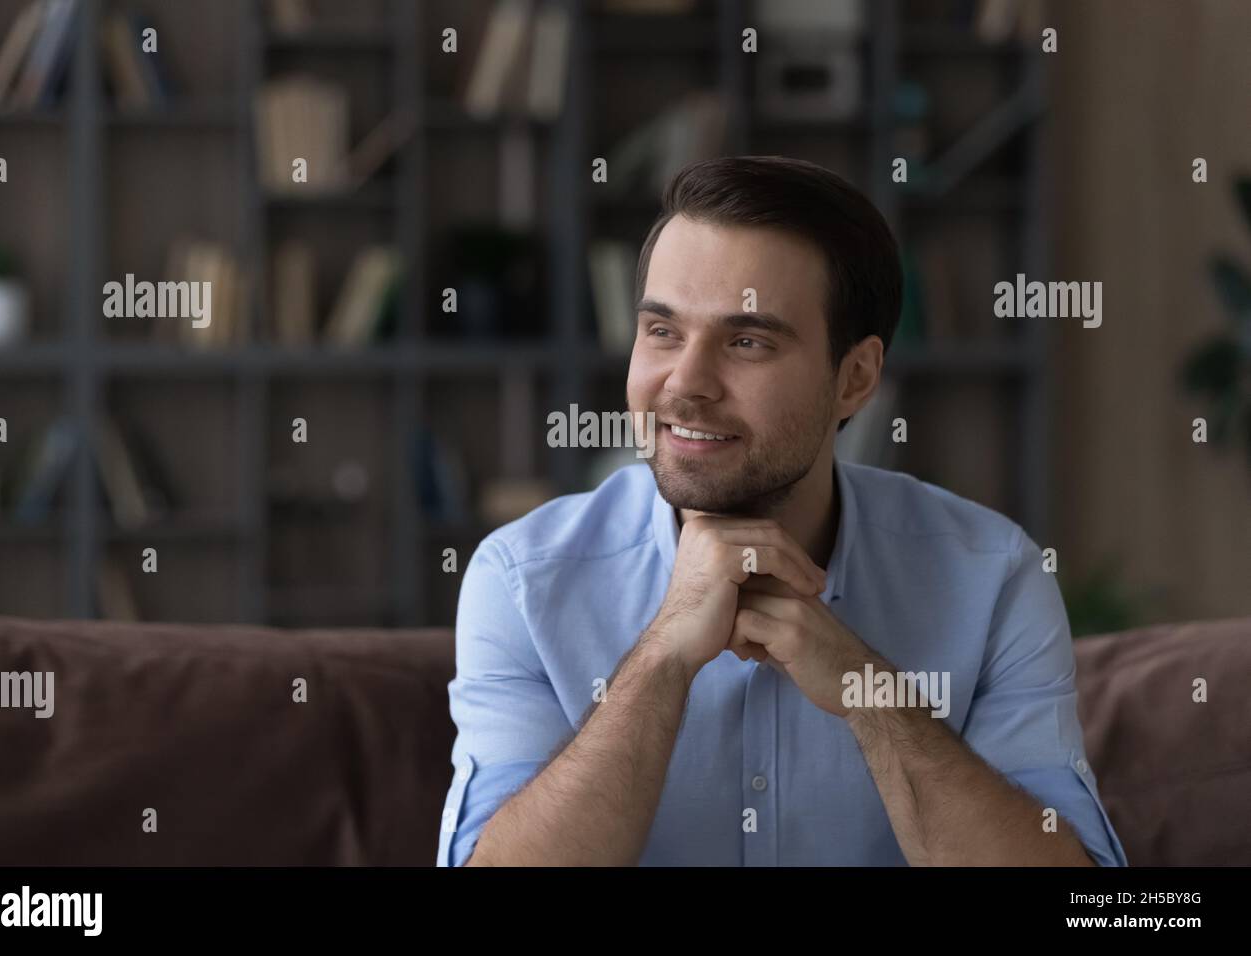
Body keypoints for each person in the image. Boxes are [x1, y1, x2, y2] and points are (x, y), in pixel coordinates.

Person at [437, 155, 1127, 867]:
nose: (687, 384)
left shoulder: (991, 576)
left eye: (748, 341)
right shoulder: (523, 579)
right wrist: (663, 657)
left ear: (854, 379)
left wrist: (871, 696)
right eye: (663, 332)